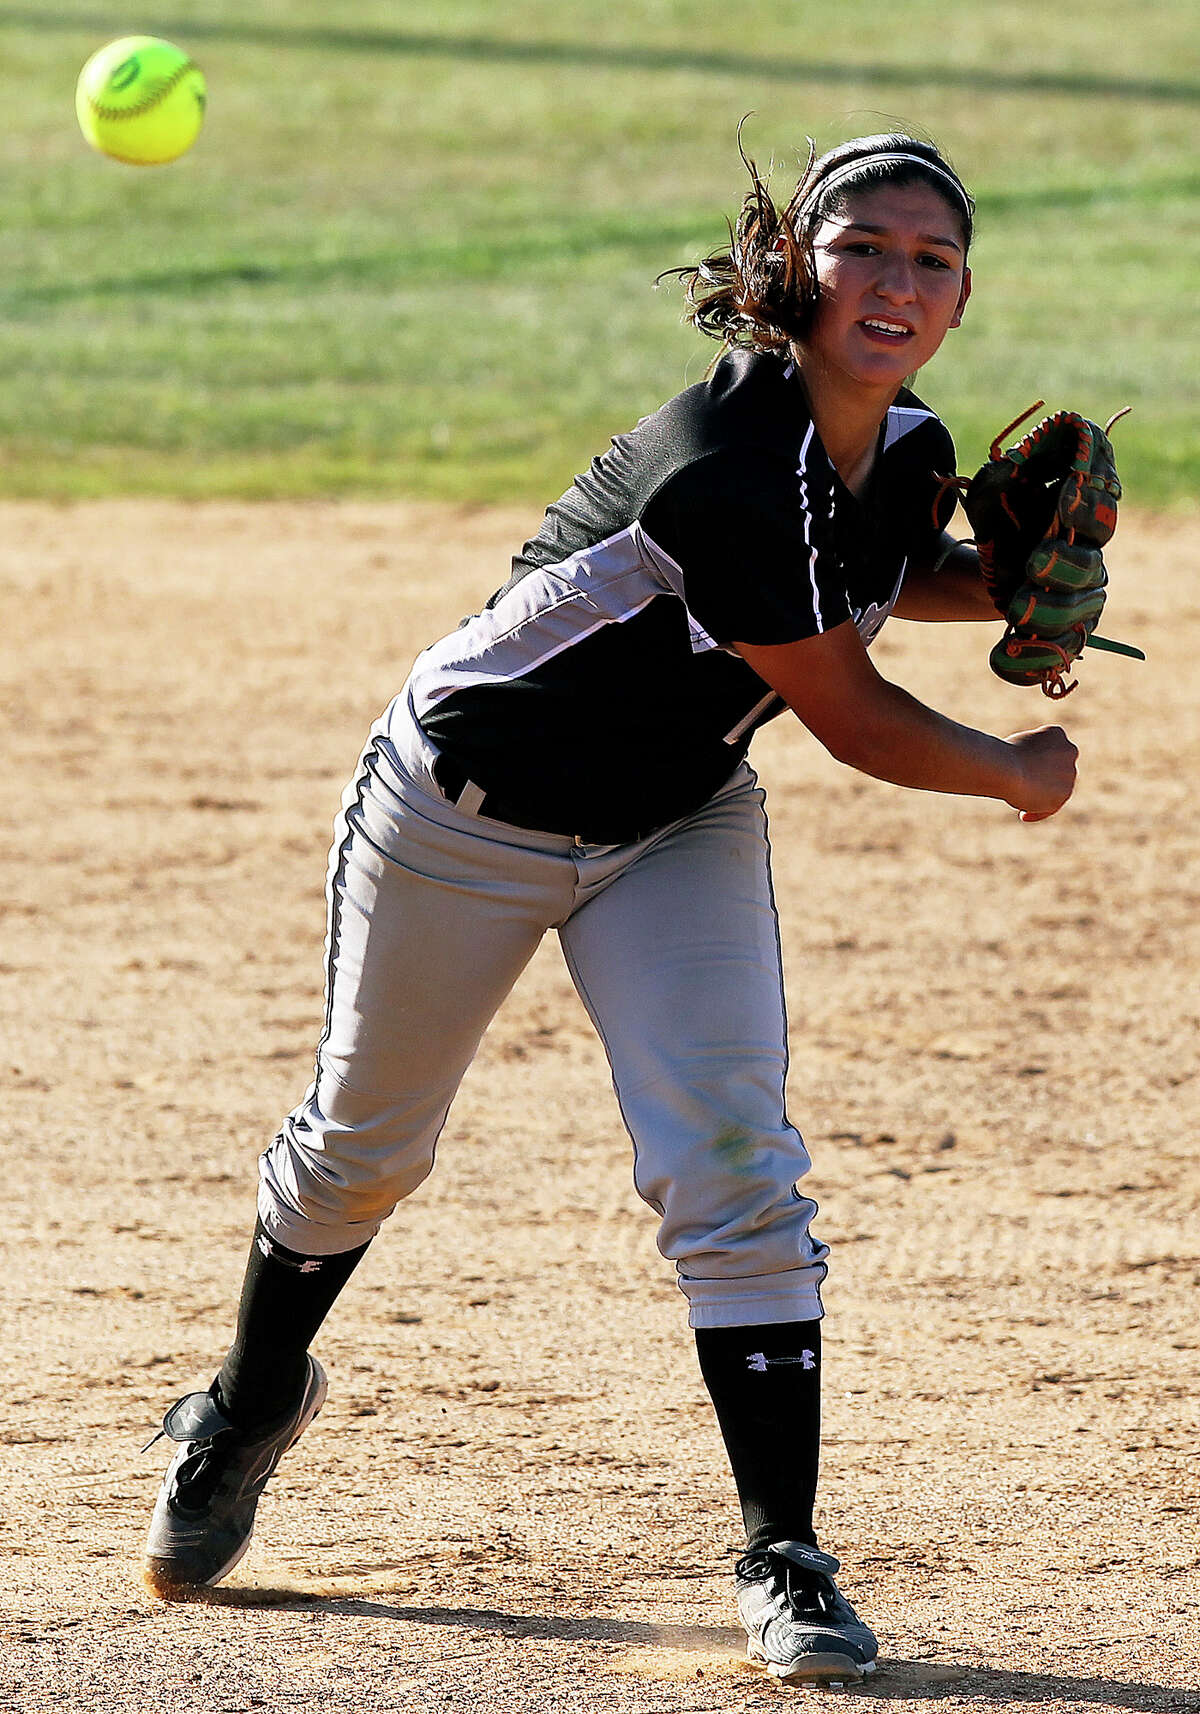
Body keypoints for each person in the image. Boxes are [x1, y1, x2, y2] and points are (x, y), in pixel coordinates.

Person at [143, 131, 1079, 1686]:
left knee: (734, 1157)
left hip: (675, 819)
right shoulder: (726, 462)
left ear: (964, 297)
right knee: (364, 1146)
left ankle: (785, 1549)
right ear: (799, 270)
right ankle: (245, 1400)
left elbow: (878, 564)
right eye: (863, 247)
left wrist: (1011, 582)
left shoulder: (906, 448)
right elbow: (851, 714)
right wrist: (1018, 767)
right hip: (462, 814)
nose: (894, 280)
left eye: (931, 259)